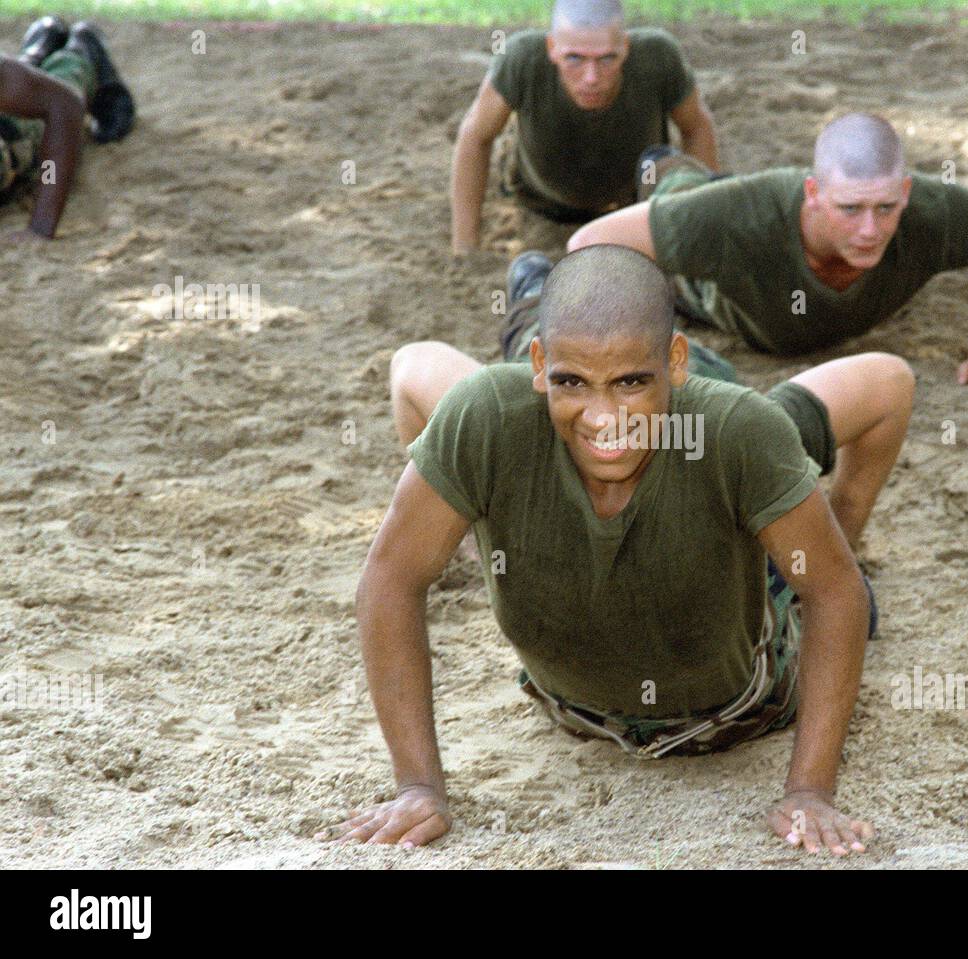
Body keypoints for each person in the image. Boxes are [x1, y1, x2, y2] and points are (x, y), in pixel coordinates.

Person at [321, 245, 917, 855]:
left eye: (631, 381)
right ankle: (539, 288)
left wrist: (810, 791)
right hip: (577, 699)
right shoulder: (486, 416)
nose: (605, 418)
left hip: (742, 677)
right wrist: (419, 785)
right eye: (572, 381)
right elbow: (390, 575)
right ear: (538, 365)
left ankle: (802, 522)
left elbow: (833, 589)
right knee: (493, 407)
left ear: (674, 362)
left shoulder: (743, 432)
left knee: (834, 560)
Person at [565, 112, 968, 394]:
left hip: (754, 253)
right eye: (850, 208)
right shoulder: (742, 215)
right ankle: (666, 165)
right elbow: (588, 243)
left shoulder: (933, 212)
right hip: (698, 287)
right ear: (814, 193)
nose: (870, 229)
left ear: (906, 192)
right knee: (680, 188)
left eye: (886, 207)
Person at [450, 0, 719, 253]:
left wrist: (703, 229)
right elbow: (474, 136)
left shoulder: (658, 57)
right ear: (552, 48)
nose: (591, 78)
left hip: (634, 203)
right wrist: (464, 246)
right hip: (541, 203)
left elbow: (696, 127)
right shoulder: (522, 60)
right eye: (574, 59)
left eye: (606, 59)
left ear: (625, 47)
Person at [0, 15, 134, 241]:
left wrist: (41, 225)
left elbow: (63, 106)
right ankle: (37, 51)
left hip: (15, 131)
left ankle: (82, 52)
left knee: (57, 88)